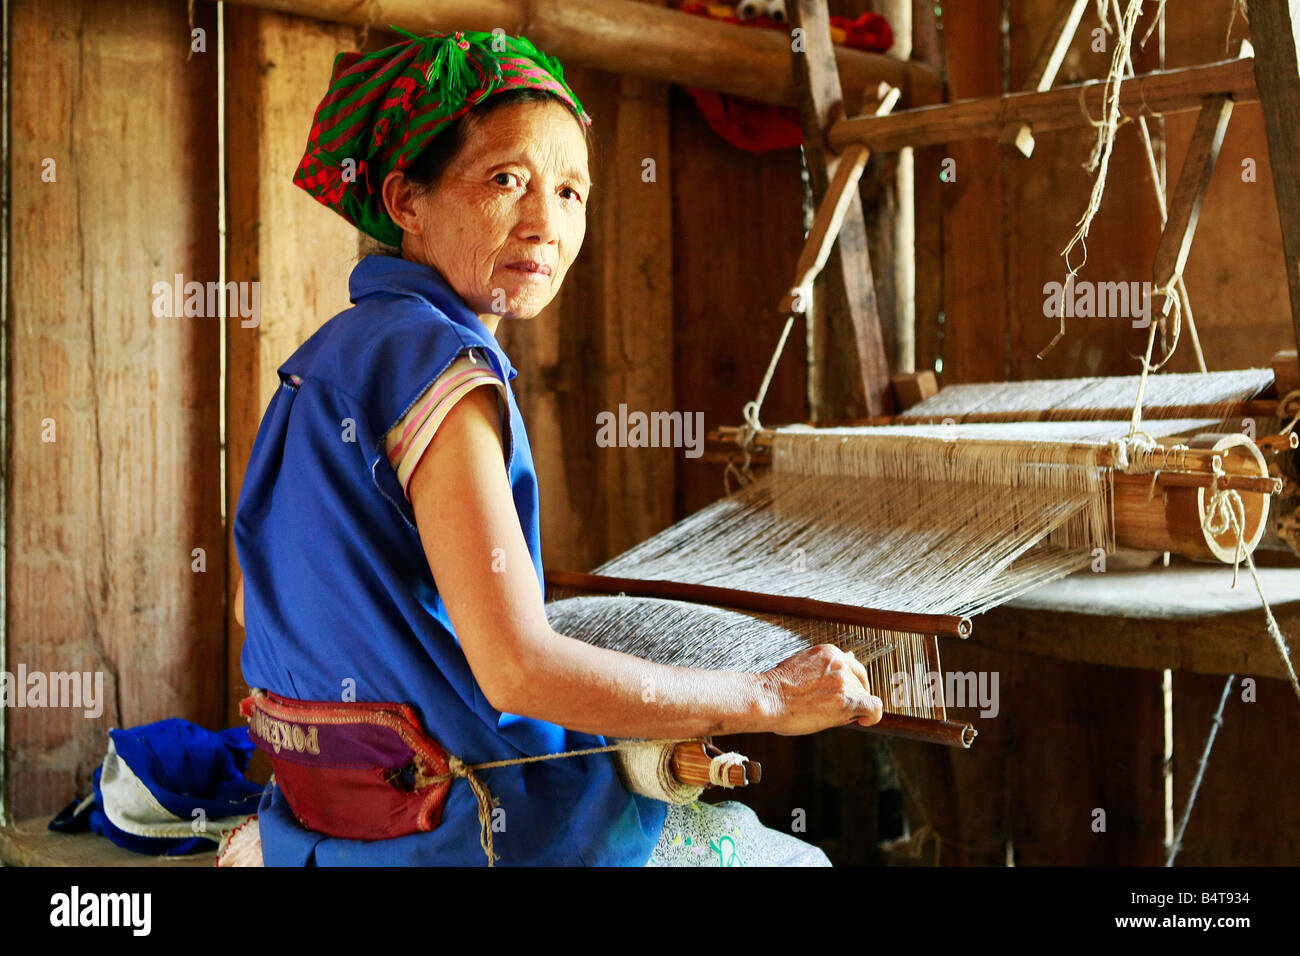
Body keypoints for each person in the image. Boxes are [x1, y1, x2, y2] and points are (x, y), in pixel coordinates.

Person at [233, 27, 882, 867]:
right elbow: (515, 672)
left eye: (572, 191)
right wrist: (770, 693)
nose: (545, 222)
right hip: (469, 833)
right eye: (507, 180)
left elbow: (258, 610)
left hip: (322, 825)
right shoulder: (438, 366)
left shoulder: (320, 362)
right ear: (405, 200)